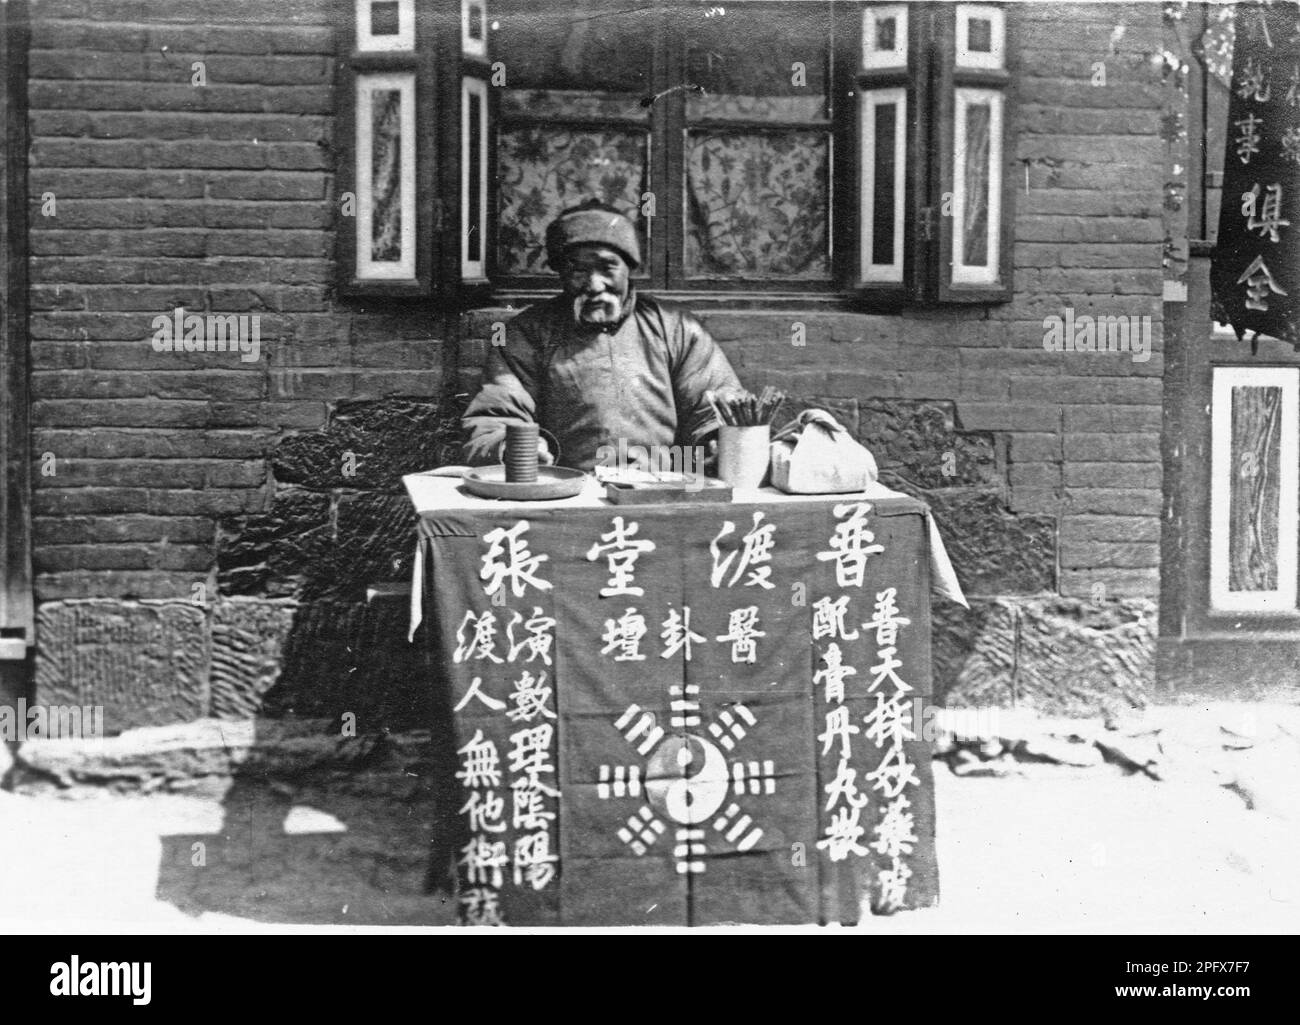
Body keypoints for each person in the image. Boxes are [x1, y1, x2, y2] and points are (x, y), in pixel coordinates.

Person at [462, 200, 744, 472]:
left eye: (608, 267)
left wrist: (719, 442)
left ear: (628, 268)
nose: (594, 285)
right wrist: (508, 447)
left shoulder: (676, 328)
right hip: (568, 496)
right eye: (578, 269)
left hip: (658, 489)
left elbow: (719, 412)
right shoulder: (528, 333)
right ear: (561, 272)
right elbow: (493, 419)